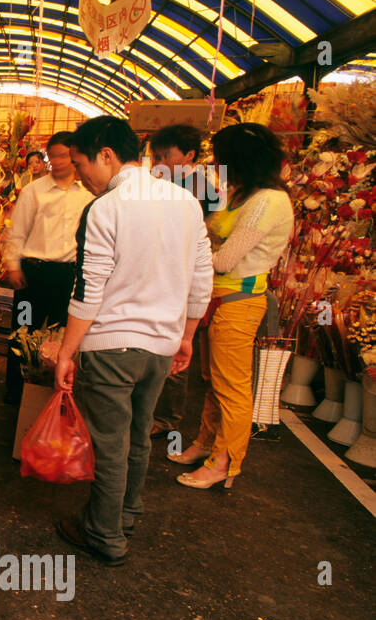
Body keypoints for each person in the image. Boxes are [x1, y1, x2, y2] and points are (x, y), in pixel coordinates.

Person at [53, 116, 213, 566]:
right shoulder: (185, 201)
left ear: (107, 155)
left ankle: (103, 534)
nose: (82, 175)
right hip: (160, 347)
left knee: (110, 444)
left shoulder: (107, 208)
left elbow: (89, 288)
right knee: (138, 437)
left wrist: (66, 352)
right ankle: (126, 514)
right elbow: (202, 276)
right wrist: (186, 335)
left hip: (111, 347)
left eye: (83, 164)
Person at [168, 123, 294, 489]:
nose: (215, 165)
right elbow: (213, 236)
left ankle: (224, 463)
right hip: (218, 298)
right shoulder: (244, 194)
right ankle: (205, 444)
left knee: (232, 387)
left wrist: (192, 248)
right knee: (213, 380)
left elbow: (225, 261)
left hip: (239, 301)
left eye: (220, 159)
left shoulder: (268, 201)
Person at [2, 132, 93, 404]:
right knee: (23, 330)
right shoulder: (34, 191)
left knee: (61, 335)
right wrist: (13, 265)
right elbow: (16, 231)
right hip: (34, 274)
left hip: (68, 275)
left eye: (64, 155)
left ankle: (53, 394)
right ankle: (15, 393)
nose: (58, 161)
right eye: (52, 156)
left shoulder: (87, 194)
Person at [147, 123, 221, 439]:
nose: (157, 164)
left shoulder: (199, 189)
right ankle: (155, 410)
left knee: (175, 344)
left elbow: (204, 235)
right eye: (154, 157)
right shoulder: (159, 186)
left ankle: (167, 417)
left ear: (189, 155)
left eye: (164, 156)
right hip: (162, 273)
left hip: (182, 276)